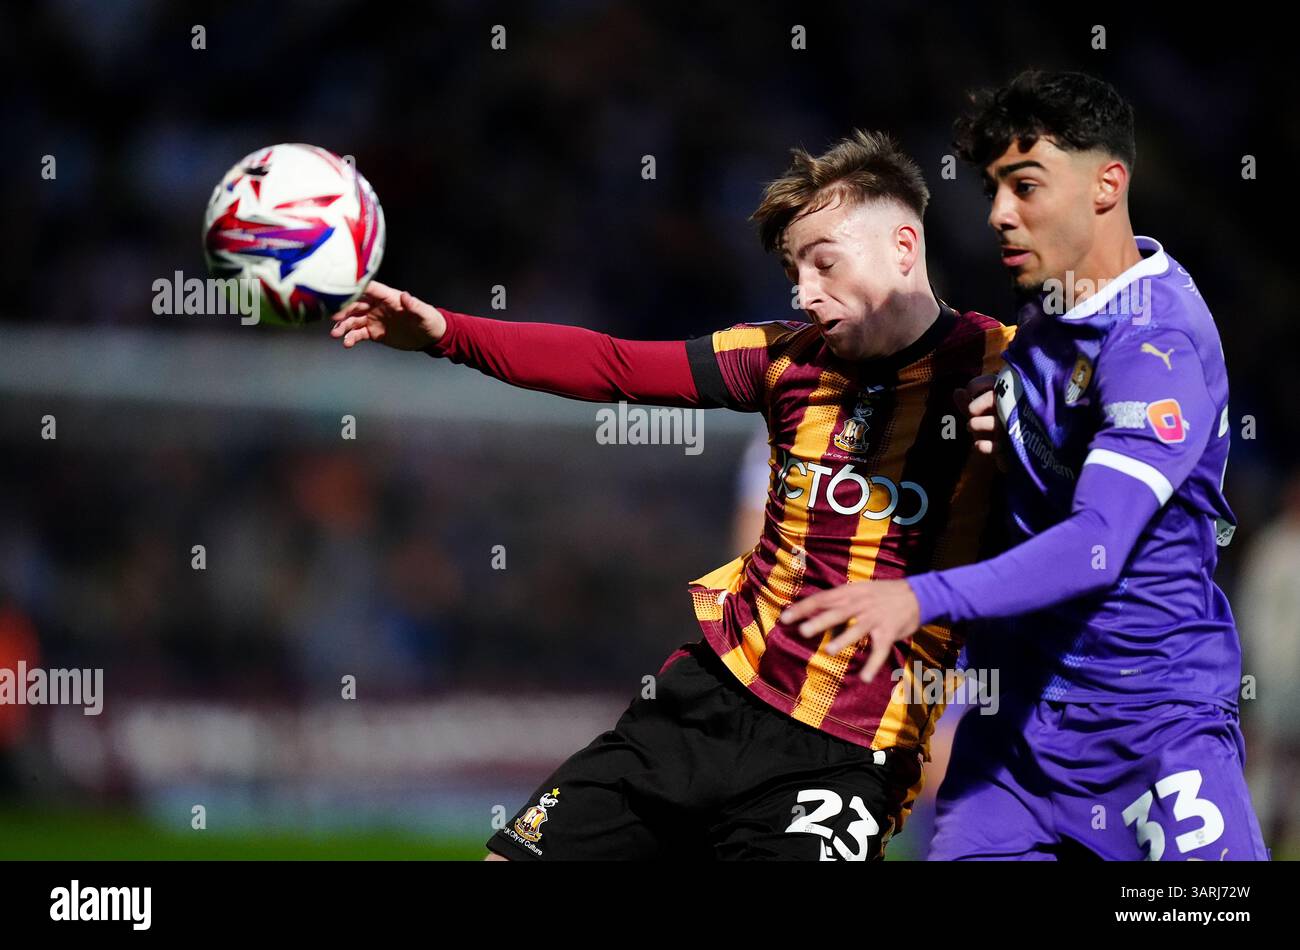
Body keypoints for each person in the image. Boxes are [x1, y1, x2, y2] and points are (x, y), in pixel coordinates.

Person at [332, 131, 1012, 860]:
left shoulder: (1010, 369)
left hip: (846, 750)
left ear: (903, 246)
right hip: (707, 702)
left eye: (823, 264)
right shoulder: (780, 359)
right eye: (794, 274)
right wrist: (445, 332)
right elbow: (615, 365)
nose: (806, 293)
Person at [784, 71, 1268, 860]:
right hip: (1018, 747)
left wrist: (917, 598)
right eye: (993, 187)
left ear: (1108, 184)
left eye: (1026, 185)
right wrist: (1005, 411)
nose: (999, 214)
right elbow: (1055, 428)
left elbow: (1098, 541)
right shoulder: (1051, 306)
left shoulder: (1157, 346)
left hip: (1149, 732)